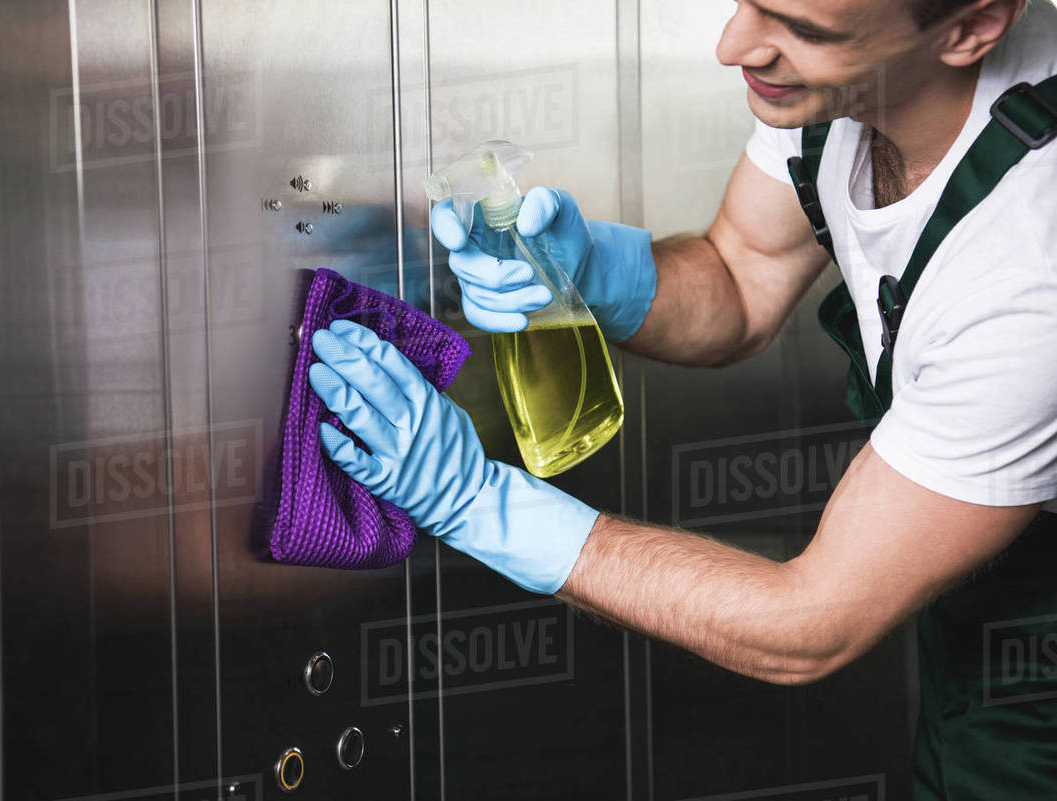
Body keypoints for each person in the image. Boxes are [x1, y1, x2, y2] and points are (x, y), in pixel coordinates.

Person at [306, 0, 1057, 795]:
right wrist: (591, 272)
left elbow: (810, 621)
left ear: (972, 27)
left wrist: (476, 504)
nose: (735, 46)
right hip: (971, 661)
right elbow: (743, 274)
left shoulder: (1029, 270)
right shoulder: (836, 80)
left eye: (801, 31)